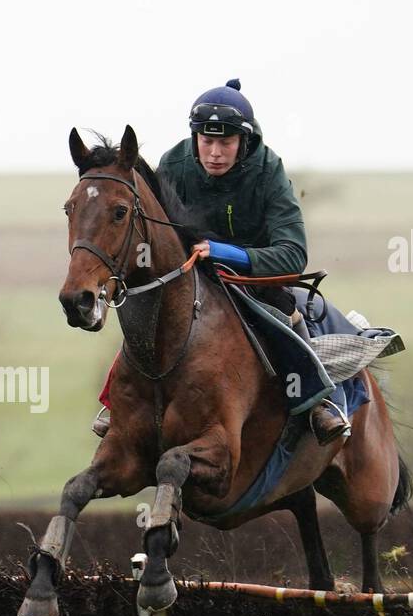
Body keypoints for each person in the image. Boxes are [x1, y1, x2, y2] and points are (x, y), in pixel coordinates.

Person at [92, 79, 350, 445]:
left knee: (284, 312)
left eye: (225, 142)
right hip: (192, 277)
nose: (214, 152)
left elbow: (293, 253)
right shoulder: (174, 164)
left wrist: (226, 253)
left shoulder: (267, 169)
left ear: (243, 142)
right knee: (147, 318)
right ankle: (117, 403)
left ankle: (316, 403)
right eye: (207, 140)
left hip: (256, 281)